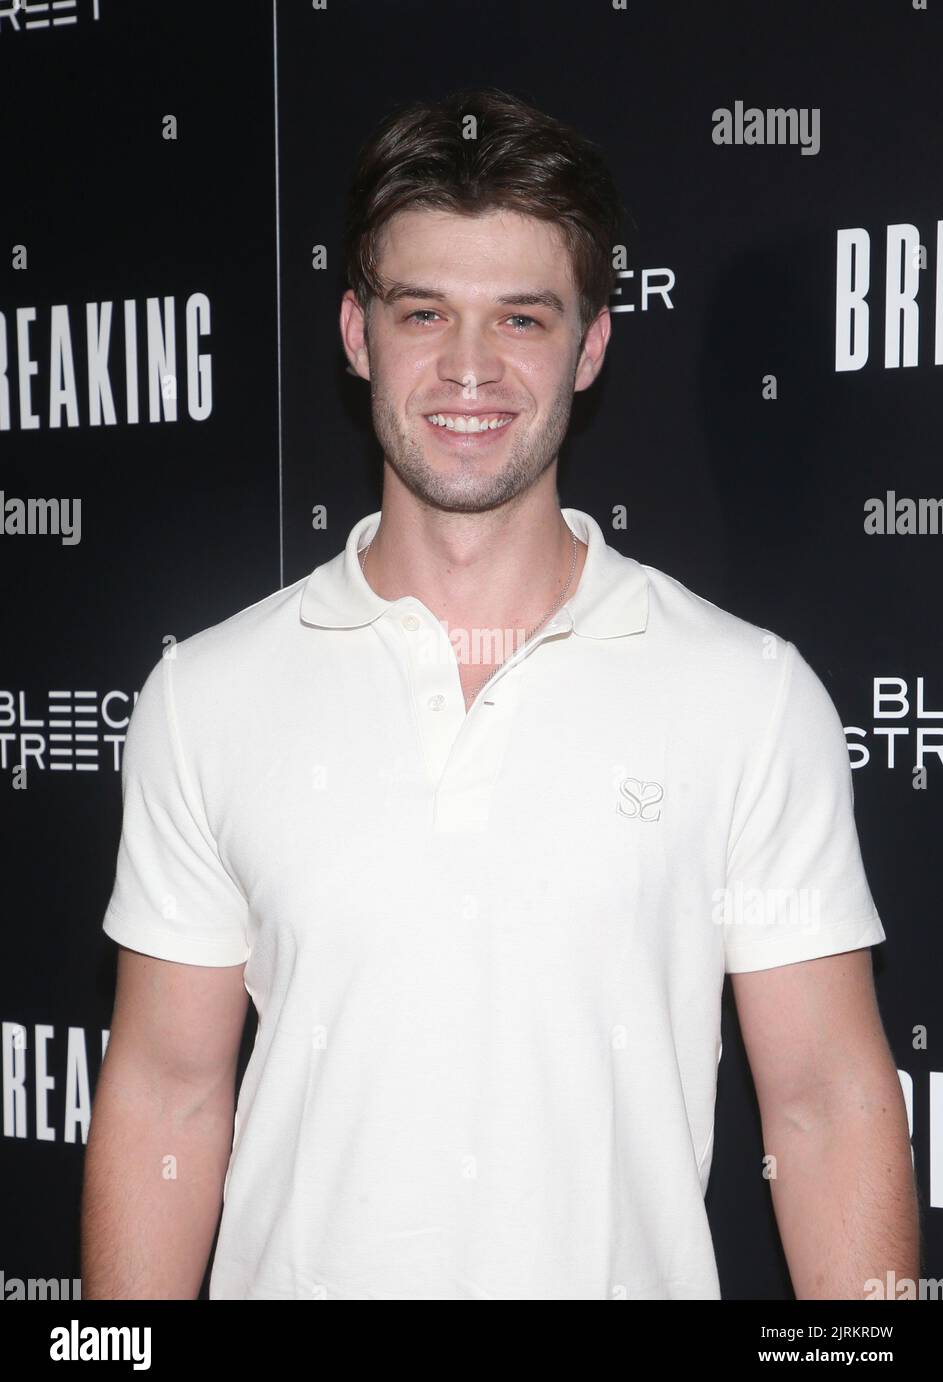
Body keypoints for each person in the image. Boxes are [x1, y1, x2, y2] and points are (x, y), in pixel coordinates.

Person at [81, 88, 918, 1301]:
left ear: (589, 346)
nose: (468, 369)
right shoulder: (206, 695)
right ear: (357, 334)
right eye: (423, 312)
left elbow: (826, 1106)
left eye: (521, 318)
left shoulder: (749, 695)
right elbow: (169, 1090)